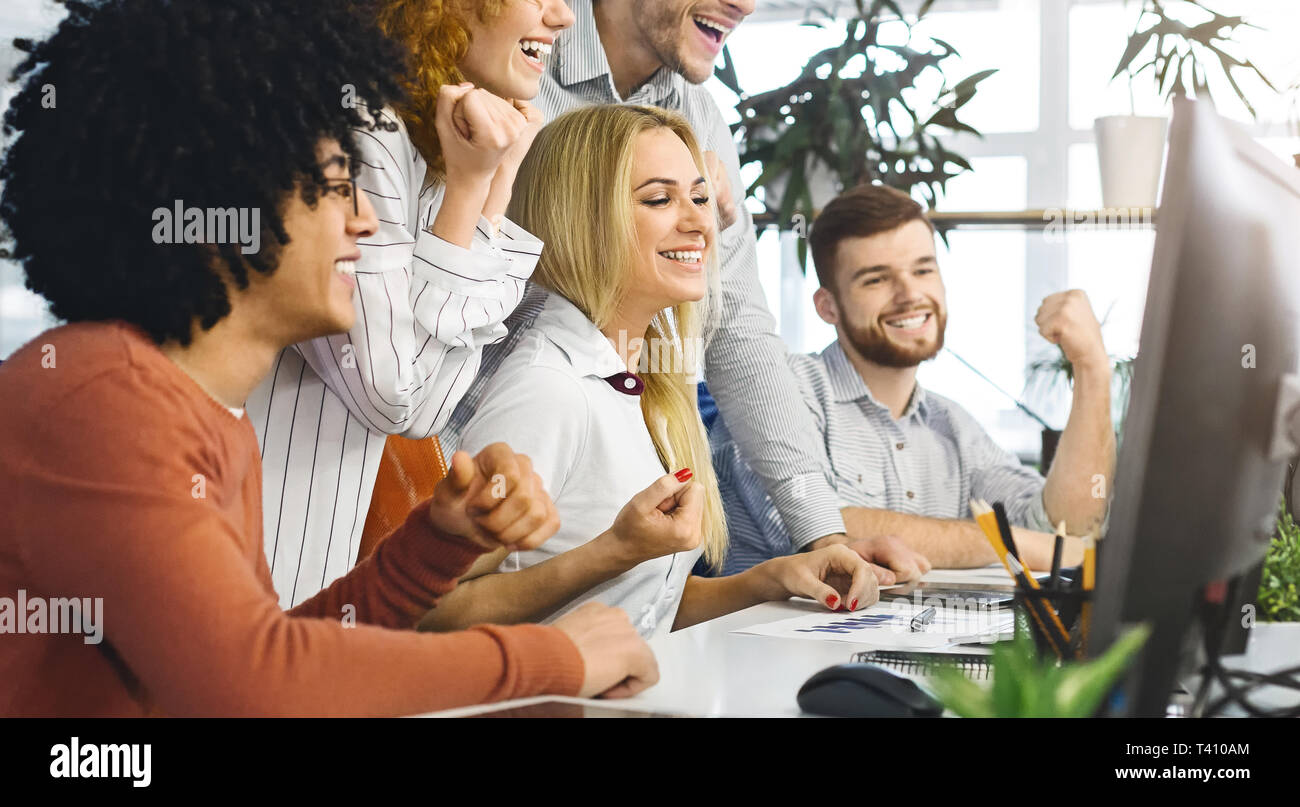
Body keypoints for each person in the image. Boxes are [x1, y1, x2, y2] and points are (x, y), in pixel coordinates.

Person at [0, 0, 653, 716]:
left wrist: (436, 543)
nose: (367, 219)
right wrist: (553, 658)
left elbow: (275, 652)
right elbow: (254, 680)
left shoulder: (212, 416)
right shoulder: (100, 402)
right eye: (341, 185)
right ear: (230, 195)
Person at [439, 0, 921, 579]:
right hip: (452, 461)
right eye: (660, 197)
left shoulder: (699, 113)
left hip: (620, 447)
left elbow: (737, 323)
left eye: (697, 197)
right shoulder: (502, 59)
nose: (746, 5)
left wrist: (821, 533)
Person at [421, 105, 904, 638]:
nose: (700, 221)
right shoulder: (548, 391)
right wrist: (613, 552)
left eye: (699, 197)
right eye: (659, 199)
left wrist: (770, 579)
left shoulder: (644, 386)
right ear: (581, 219)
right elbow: (434, 614)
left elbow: (642, 604)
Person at [245, 0, 577, 607]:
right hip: (261, 562)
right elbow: (392, 395)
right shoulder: (361, 126)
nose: (564, 16)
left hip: (304, 566)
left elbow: (424, 405)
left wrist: (490, 186)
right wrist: (474, 188)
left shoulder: (416, 131)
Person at [711, 184, 1116, 575]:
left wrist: (1092, 371)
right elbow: (816, 527)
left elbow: (1062, 530)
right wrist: (1011, 544)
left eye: (923, 270)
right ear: (828, 307)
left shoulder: (951, 424)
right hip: (778, 642)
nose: (909, 294)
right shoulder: (776, 393)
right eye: (876, 279)